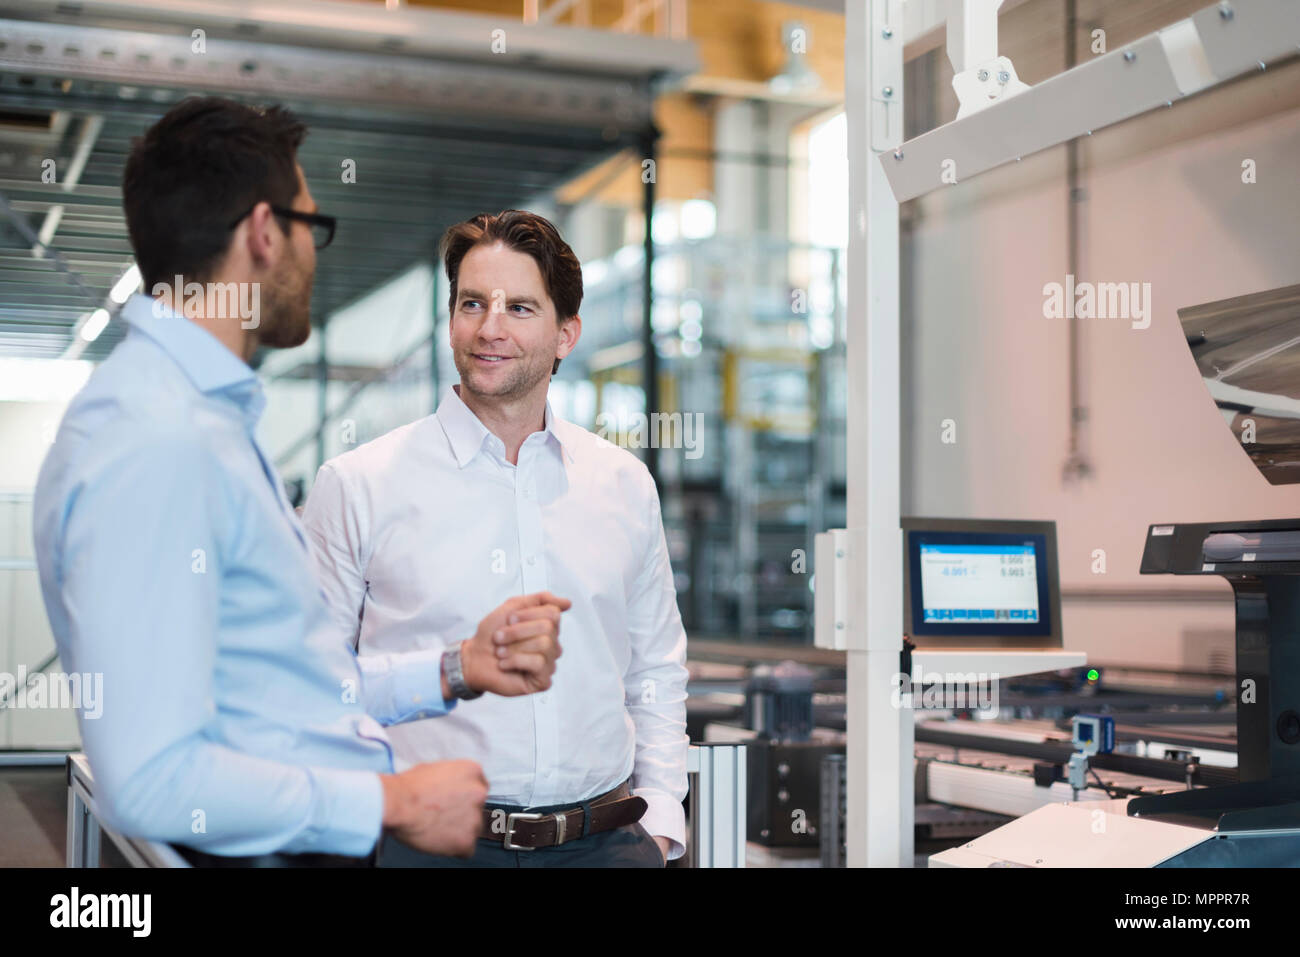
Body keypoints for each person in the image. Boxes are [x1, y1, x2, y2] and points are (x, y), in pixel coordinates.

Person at [32, 98, 566, 866]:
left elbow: (277, 693)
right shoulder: (157, 438)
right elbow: (151, 779)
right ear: (263, 232)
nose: (314, 254)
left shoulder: (199, 419)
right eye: (310, 226)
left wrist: (456, 668)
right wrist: (392, 801)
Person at [301, 210, 689, 867]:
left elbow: (655, 666)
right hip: (431, 849)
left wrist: (659, 821)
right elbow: (311, 683)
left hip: (605, 844)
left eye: (519, 308)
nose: (490, 328)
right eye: (472, 303)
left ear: (566, 334)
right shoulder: (357, 484)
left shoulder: (623, 483)